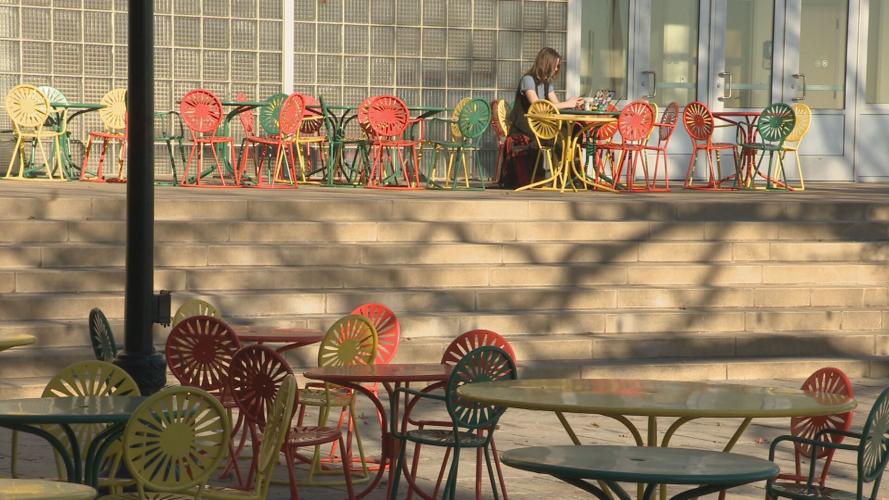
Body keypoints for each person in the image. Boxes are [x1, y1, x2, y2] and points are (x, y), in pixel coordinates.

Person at [500, 47, 578, 188]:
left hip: (541, 126)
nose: (556, 69)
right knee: (561, 135)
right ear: (546, 64)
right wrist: (567, 104)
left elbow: (556, 106)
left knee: (573, 131)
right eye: (555, 66)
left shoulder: (547, 84)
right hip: (525, 126)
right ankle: (564, 175)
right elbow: (537, 107)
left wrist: (573, 105)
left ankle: (571, 173)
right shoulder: (528, 80)